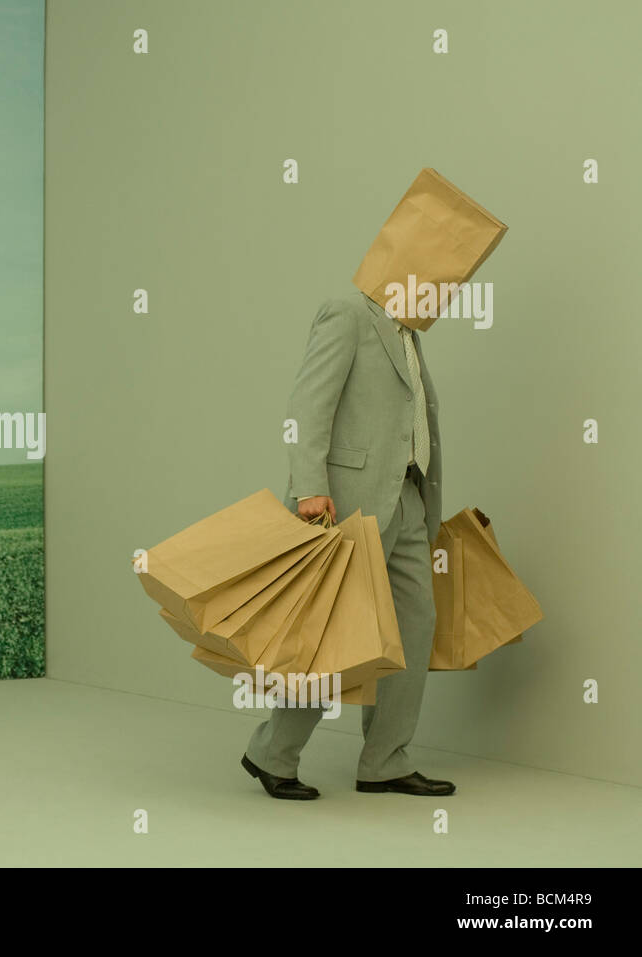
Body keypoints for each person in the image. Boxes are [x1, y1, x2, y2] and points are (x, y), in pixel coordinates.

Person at [240, 169, 506, 800]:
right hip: (347, 507)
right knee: (330, 636)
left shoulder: (411, 336)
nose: (447, 291)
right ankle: (272, 754)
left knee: (413, 627)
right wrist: (308, 486)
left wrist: (424, 501)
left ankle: (385, 760)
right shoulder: (347, 314)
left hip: (410, 503)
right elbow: (307, 407)